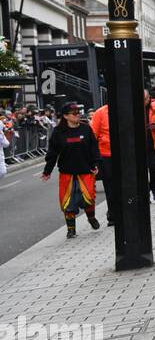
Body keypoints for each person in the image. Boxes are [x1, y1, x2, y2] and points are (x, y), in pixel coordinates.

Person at [42, 102, 101, 238]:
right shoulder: (58, 132)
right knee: (67, 202)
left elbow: (94, 148)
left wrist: (96, 164)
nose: (78, 115)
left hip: (86, 170)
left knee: (89, 198)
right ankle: (71, 229)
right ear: (65, 116)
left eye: (78, 112)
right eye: (74, 113)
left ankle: (91, 218)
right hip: (67, 172)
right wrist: (47, 171)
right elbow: (52, 153)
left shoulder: (86, 129)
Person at [90, 101, 115, 225]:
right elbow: (93, 134)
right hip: (106, 155)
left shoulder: (127, 108)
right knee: (110, 186)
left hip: (125, 154)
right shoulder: (100, 113)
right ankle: (113, 214)